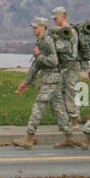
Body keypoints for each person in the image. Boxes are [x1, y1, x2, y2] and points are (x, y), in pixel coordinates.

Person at [16, 18, 78, 149]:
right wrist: (26, 82)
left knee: (38, 107)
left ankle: (28, 138)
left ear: (42, 27)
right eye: (33, 27)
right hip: (53, 79)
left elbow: (53, 61)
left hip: (51, 79)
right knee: (59, 110)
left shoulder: (47, 40)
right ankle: (69, 138)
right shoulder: (41, 40)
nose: (33, 29)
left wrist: (39, 56)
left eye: (35, 27)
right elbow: (36, 64)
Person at [50, 7, 82, 131]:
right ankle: (66, 121)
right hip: (63, 67)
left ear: (62, 16)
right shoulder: (60, 31)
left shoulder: (70, 31)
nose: (54, 21)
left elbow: (72, 52)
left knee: (70, 92)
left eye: (56, 18)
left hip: (71, 66)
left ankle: (74, 120)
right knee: (62, 92)